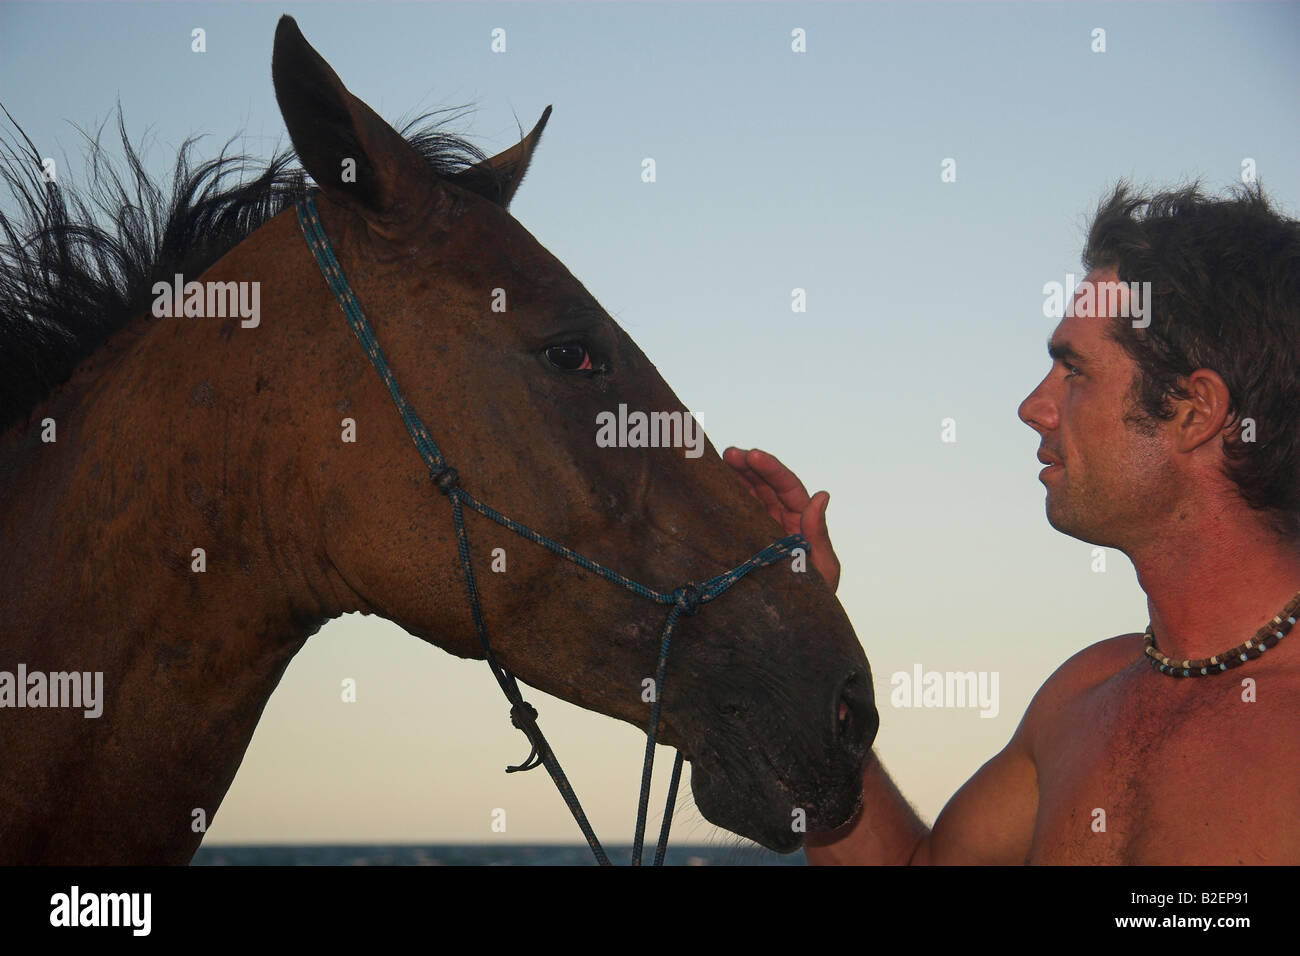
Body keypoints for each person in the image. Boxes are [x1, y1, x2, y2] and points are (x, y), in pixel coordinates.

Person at [724, 182, 1300, 864]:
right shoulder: (1082, 695)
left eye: (1073, 370)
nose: (1033, 406)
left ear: (1192, 411)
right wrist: (792, 630)